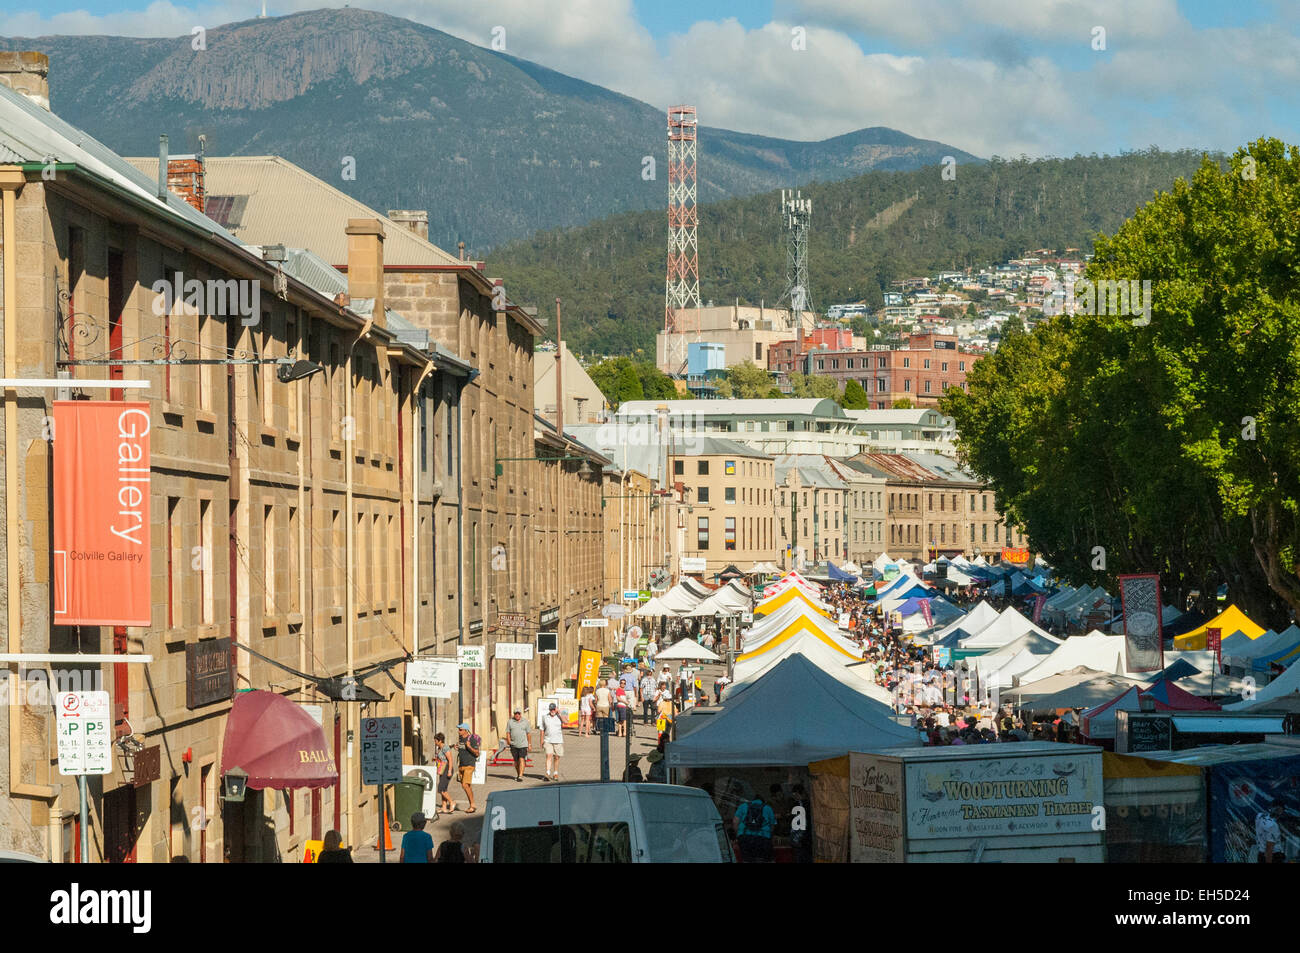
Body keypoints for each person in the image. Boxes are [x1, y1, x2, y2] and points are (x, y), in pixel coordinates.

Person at [734, 795, 776, 863]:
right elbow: (772, 826)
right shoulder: (768, 808)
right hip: (763, 838)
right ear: (763, 802)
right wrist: (770, 837)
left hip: (745, 838)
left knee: (747, 860)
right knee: (766, 860)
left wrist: (738, 835)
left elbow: (735, 822)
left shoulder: (742, 806)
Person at [456, 723, 481, 814]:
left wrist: (469, 746)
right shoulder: (461, 739)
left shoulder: (472, 739)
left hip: (469, 765)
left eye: (460, 729)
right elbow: (462, 749)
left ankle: (473, 805)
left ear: (466, 730)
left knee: (465, 785)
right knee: (467, 786)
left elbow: (477, 753)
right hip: (462, 765)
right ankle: (472, 804)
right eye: (458, 729)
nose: (459, 731)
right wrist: (457, 747)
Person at [433, 731, 455, 815]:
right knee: (444, 788)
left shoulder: (445, 748)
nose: (435, 742)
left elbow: (450, 759)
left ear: (440, 741)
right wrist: (436, 759)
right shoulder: (439, 748)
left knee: (441, 789)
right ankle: (444, 807)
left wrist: (449, 771)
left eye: (435, 741)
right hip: (442, 769)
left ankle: (452, 802)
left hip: (446, 769)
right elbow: (442, 759)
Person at [506, 708, 531, 782]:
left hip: (523, 744)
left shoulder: (525, 722)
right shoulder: (510, 722)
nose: (517, 715)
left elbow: (528, 733)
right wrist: (509, 741)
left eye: (518, 713)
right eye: (516, 713)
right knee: (516, 761)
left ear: (521, 714)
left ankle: (520, 776)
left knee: (522, 759)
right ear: (514, 714)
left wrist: (529, 744)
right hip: (514, 744)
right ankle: (518, 773)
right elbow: (508, 732)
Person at [542, 702, 565, 781]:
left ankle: (555, 773)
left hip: (558, 740)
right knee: (549, 755)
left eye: (554, 709)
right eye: (551, 709)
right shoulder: (545, 717)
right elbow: (542, 729)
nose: (552, 711)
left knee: (557, 757)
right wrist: (541, 740)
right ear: (549, 709)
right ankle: (547, 773)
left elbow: (566, 722)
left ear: (556, 709)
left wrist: (559, 714)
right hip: (548, 740)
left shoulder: (559, 716)